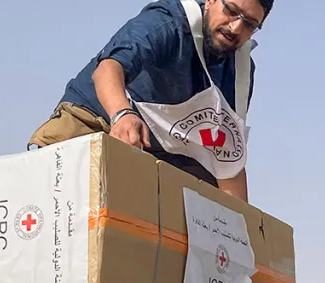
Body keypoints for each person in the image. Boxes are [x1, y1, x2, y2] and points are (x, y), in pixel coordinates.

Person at [30, 0, 272, 202]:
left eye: (250, 23)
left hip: (164, 154)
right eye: (230, 10)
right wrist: (122, 114)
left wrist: (242, 236)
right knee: (58, 201)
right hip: (100, 120)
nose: (235, 27)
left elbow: (227, 157)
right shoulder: (168, 22)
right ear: (210, 1)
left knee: (212, 214)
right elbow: (107, 70)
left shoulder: (240, 73)